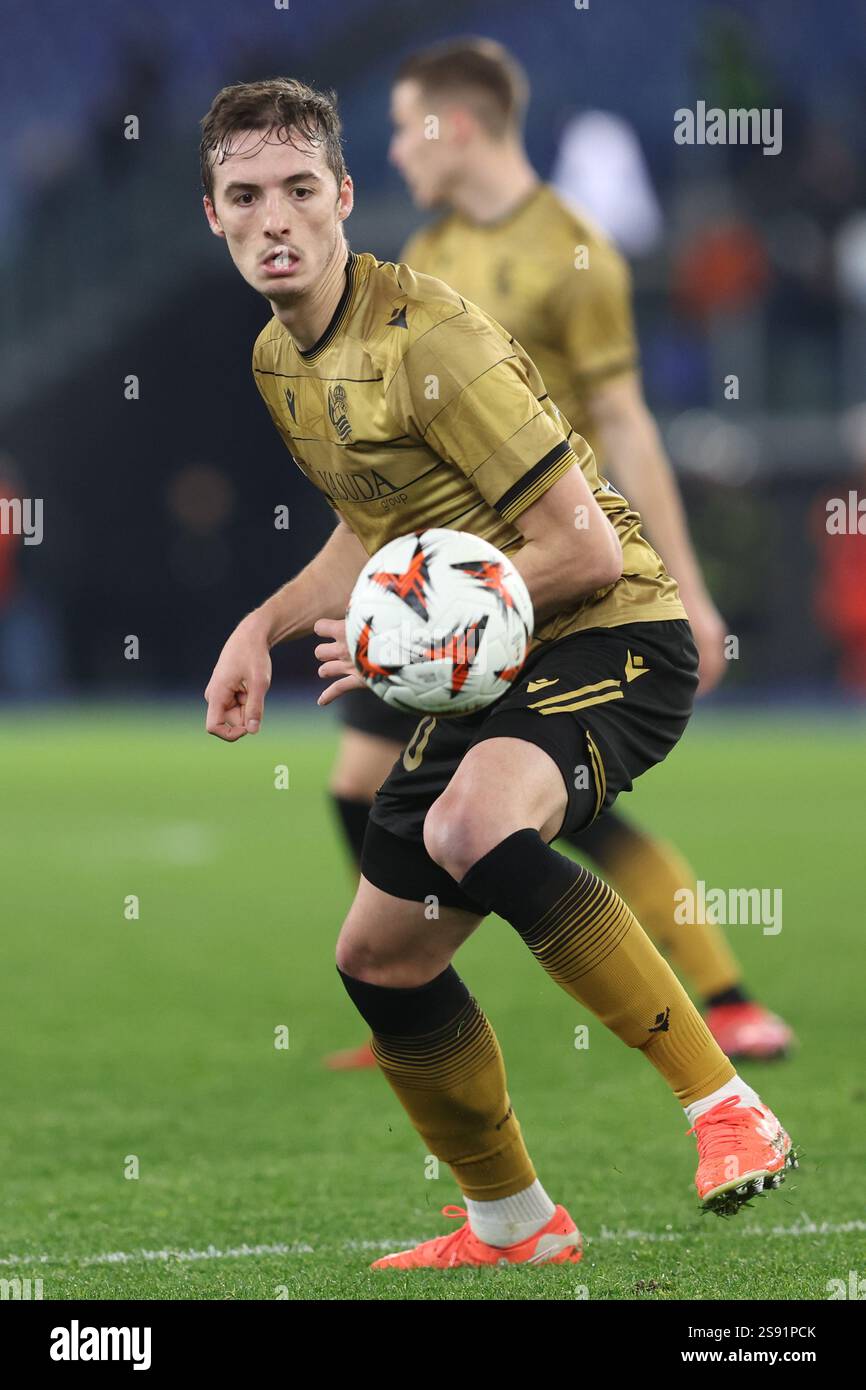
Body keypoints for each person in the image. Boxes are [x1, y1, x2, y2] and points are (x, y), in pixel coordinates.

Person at [200, 76, 797, 1270]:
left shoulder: (432, 341)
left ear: (343, 198)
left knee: (475, 818)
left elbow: (577, 548)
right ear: (212, 215)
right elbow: (371, 527)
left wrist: (418, 631)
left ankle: (726, 1104)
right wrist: (258, 626)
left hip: (614, 629)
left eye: (299, 192)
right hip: (494, 654)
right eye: (245, 196)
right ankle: (514, 1225)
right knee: (377, 954)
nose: (275, 220)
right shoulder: (278, 358)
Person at [325, 36, 791, 1071]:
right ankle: (406, 982)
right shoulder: (428, 256)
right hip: (434, 579)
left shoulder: (574, 250)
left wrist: (691, 593)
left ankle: (723, 992)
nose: (396, 150)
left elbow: (623, 422)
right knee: (361, 781)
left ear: (455, 125)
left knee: (536, 808)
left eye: (405, 127)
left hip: (549, 571)